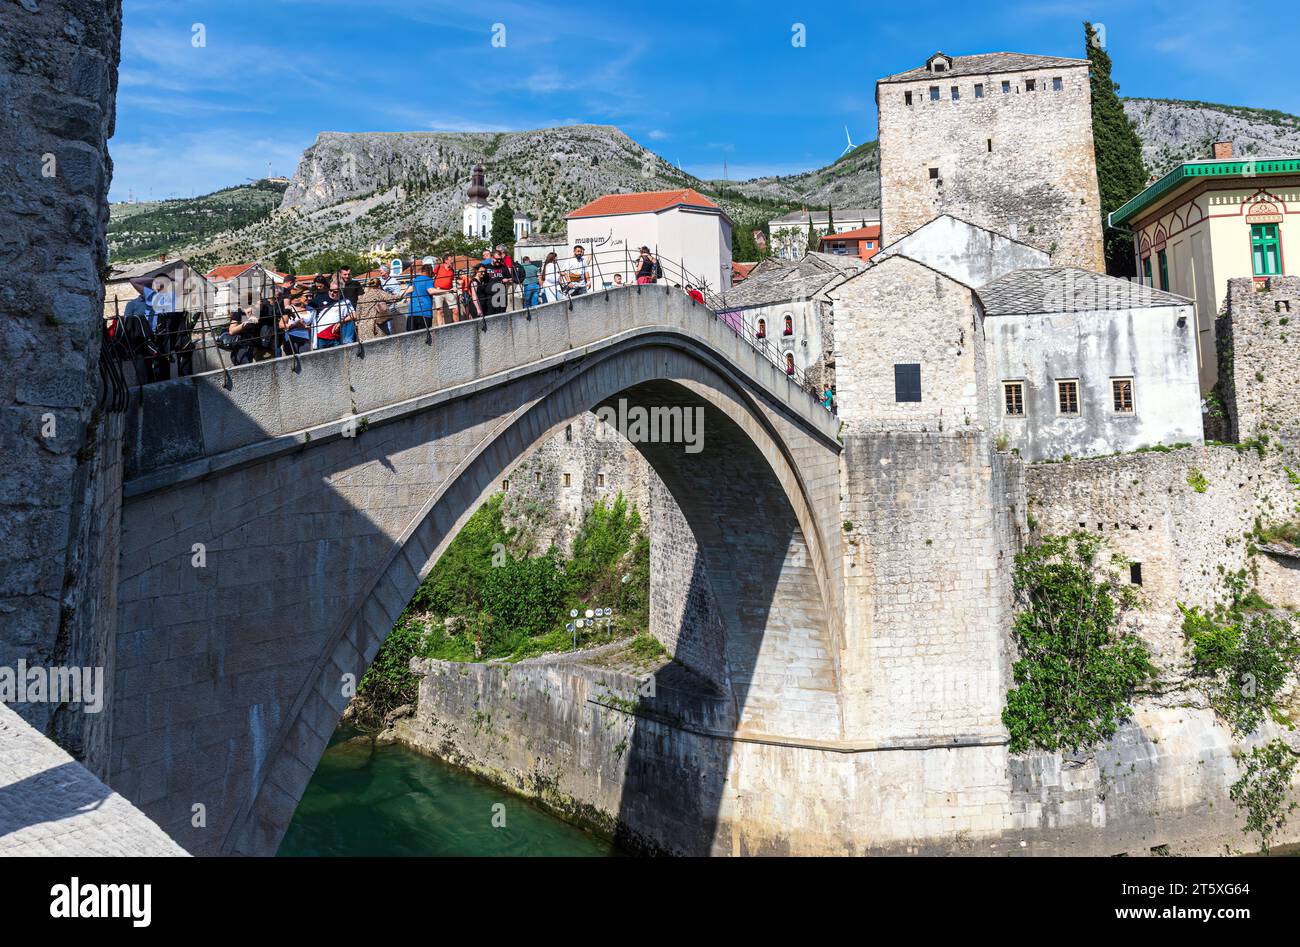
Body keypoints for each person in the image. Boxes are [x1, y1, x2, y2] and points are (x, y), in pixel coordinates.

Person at [408, 263, 436, 330]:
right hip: (425, 312)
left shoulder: (413, 281)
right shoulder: (428, 280)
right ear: (429, 272)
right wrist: (447, 290)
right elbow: (431, 291)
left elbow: (408, 296)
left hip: (412, 313)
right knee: (425, 336)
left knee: (411, 337)